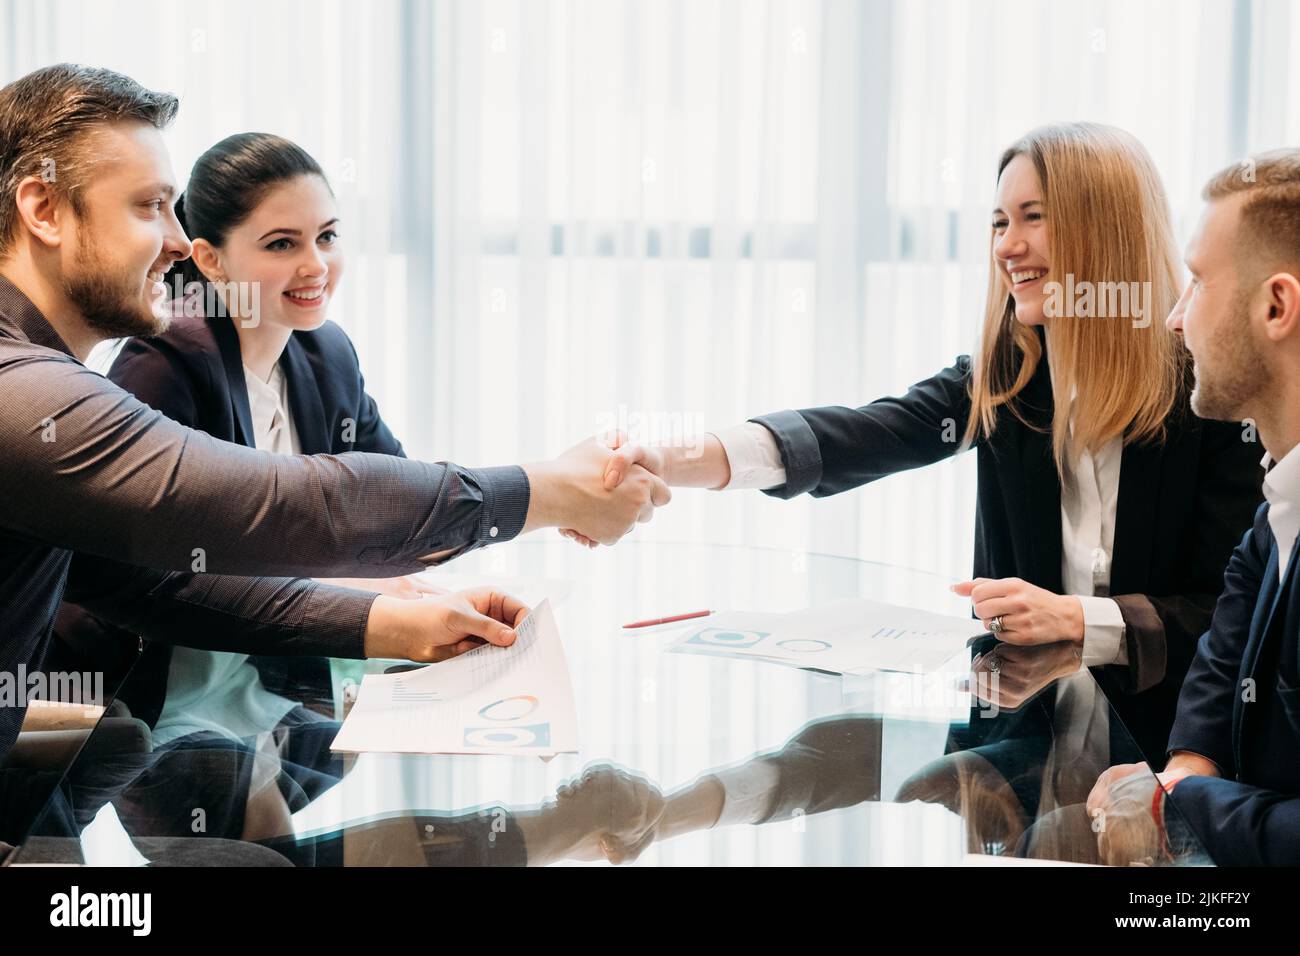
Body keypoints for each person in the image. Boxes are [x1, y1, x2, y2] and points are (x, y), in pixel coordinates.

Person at [0, 62, 666, 791]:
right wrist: (548, 492)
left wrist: (390, 623)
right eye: (150, 207)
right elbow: (292, 504)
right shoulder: (27, 394)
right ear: (44, 209)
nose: (176, 240)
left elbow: (145, 583)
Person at [596, 123, 1264, 817]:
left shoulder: (1209, 397)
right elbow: (859, 434)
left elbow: (1230, 615)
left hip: (1167, 771)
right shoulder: (1009, 381)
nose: (1007, 245)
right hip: (1016, 762)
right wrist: (670, 454)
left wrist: (1079, 618)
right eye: (1000, 221)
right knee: (827, 753)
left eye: (1034, 217)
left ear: (1107, 229)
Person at [1087, 148, 1300, 866]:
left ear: (1277, 306)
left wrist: (1174, 799)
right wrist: (1190, 765)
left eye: (1198, 284)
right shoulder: (1280, 497)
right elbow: (1227, 644)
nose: (1176, 321)